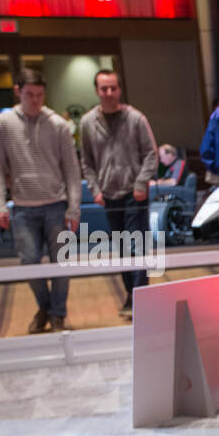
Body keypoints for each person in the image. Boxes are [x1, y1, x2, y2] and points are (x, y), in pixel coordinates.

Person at [0, 67, 81, 333]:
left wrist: (74, 209)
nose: (35, 100)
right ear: (18, 92)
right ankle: (45, 306)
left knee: (61, 263)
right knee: (29, 263)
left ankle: (58, 314)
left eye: (40, 95)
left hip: (57, 205)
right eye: (30, 94)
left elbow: (72, 171)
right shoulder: (3, 124)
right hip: (22, 209)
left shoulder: (58, 124)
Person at [79, 68, 158, 317]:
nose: (109, 93)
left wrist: (140, 183)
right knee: (122, 249)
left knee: (137, 246)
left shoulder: (135, 118)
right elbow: (87, 162)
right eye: (104, 89)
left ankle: (140, 297)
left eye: (113, 88)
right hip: (109, 195)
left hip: (135, 195)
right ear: (96, 91)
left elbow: (151, 154)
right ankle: (131, 295)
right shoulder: (87, 123)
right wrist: (95, 189)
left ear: (120, 90)